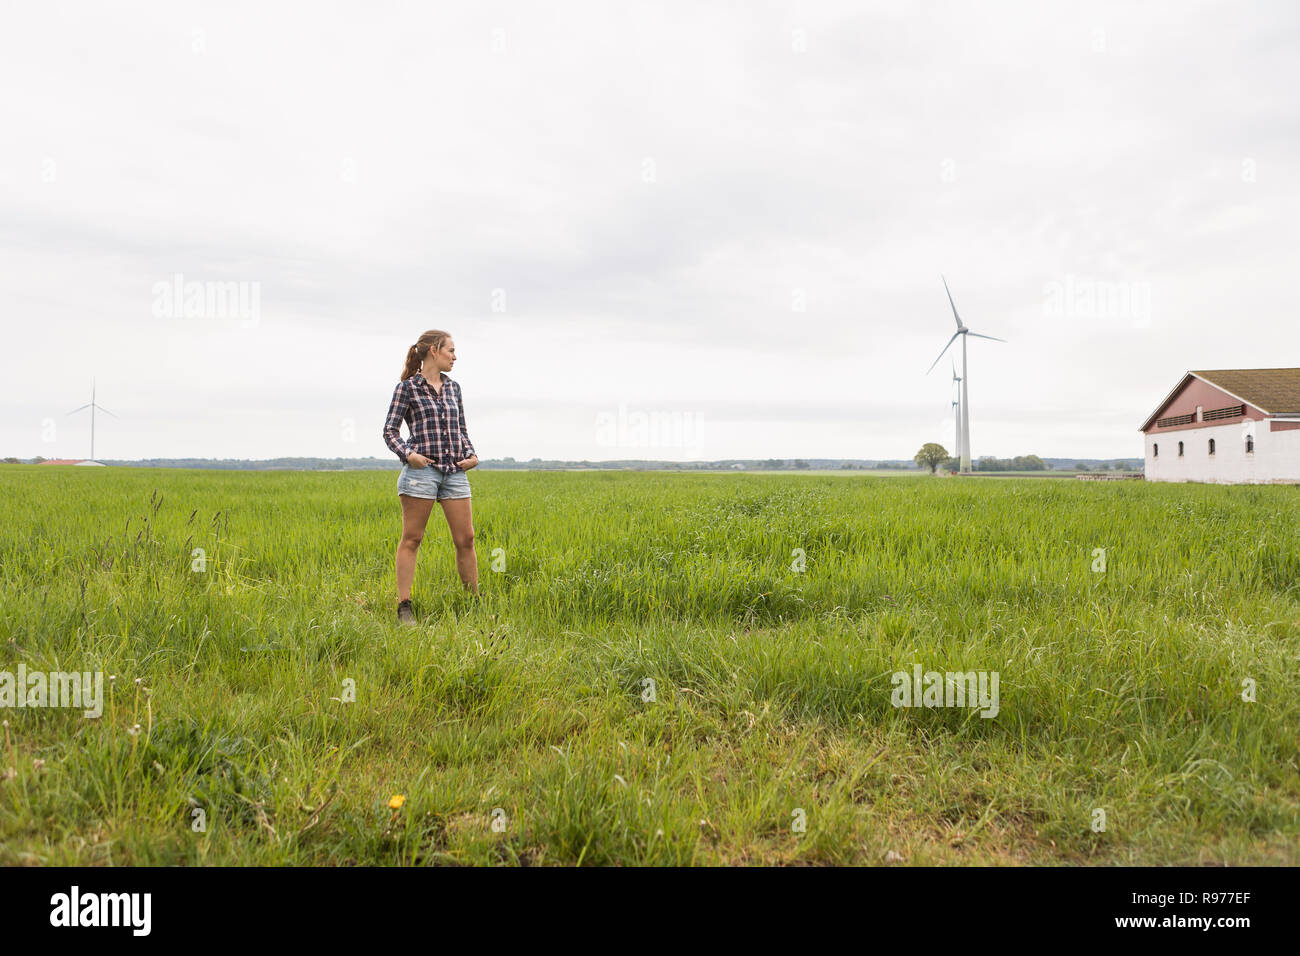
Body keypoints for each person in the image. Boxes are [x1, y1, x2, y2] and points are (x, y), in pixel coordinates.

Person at [382, 330, 479, 624]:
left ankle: (473, 603)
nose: (455, 356)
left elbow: (461, 430)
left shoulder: (454, 388)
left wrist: (472, 455)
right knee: (412, 538)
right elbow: (390, 431)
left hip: (454, 473)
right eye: (450, 350)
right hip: (420, 473)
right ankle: (404, 606)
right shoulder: (407, 389)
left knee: (466, 539)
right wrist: (408, 455)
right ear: (434, 351)